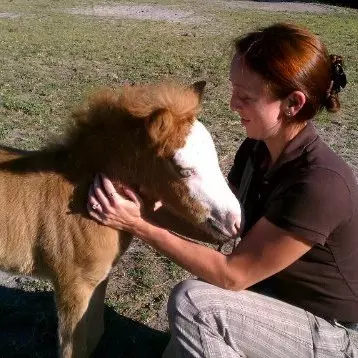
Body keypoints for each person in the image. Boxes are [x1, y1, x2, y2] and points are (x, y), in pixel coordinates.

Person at [87, 23, 358, 357]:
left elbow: (233, 276)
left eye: (246, 97)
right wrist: (147, 207)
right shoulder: (257, 151)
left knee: (196, 304)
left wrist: (139, 225)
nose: (232, 104)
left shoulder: (319, 183)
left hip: (334, 333)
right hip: (278, 296)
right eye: (233, 90)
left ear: (292, 103)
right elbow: (218, 229)